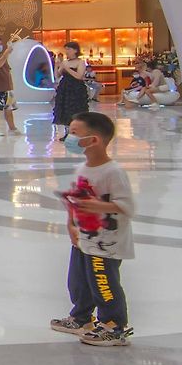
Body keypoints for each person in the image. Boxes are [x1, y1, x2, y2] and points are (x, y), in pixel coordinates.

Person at [52, 111, 134, 347]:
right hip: (84, 236)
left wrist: (94, 205)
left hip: (105, 240)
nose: (68, 138)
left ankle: (113, 324)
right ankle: (81, 316)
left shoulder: (113, 172)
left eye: (75, 134)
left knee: (103, 281)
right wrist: (71, 221)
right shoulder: (84, 169)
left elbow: (126, 205)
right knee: (79, 279)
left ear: (94, 140)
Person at [51, 41, 94, 129]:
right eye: (66, 49)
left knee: (75, 108)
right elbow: (57, 75)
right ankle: (67, 131)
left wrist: (67, 68)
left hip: (76, 88)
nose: (66, 51)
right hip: (65, 87)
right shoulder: (65, 62)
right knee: (65, 109)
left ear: (75, 50)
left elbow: (79, 76)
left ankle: (77, 130)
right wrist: (56, 66)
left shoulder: (80, 62)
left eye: (69, 49)